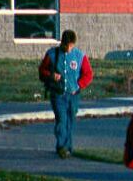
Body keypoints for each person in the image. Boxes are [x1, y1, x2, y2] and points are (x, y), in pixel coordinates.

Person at [38, 30, 93, 158]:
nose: (68, 49)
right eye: (66, 45)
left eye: (71, 46)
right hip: (58, 93)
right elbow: (42, 70)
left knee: (70, 120)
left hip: (73, 94)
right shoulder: (52, 54)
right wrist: (51, 75)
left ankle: (68, 146)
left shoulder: (80, 56)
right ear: (62, 43)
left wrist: (79, 85)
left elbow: (88, 74)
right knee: (61, 119)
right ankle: (62, 146)